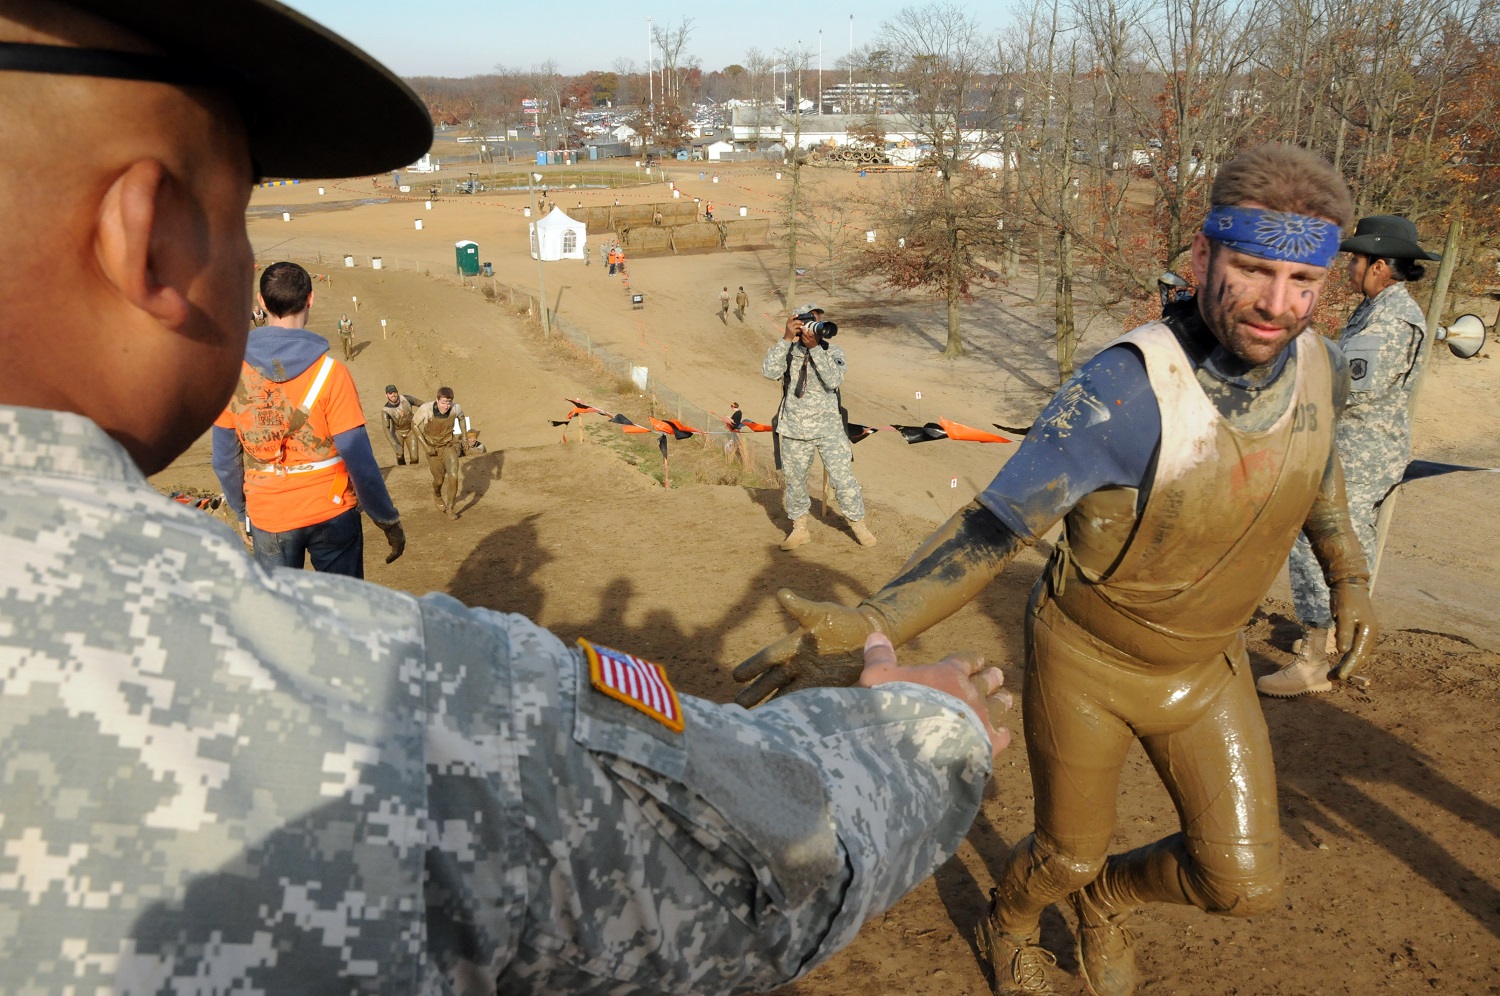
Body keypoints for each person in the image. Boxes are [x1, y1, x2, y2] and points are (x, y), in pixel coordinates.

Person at [0, 1, 1013, 992]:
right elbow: (772, 867)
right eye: (239, 212)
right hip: (328, 536)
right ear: (151, 236)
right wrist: (919, 737)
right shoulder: (414, 708)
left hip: (273, 517)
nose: (250, 266)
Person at [735, 144, 1379, 996]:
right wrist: (872, 622)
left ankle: (1108, 898)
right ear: (1202, 258)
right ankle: (1010, 918)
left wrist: (1349, 578)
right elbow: (991, 528)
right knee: (1064, 852)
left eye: (1304, 283)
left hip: (1205, 666)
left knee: (1244, 882)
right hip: (1090, 666)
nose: (1279, 304)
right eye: (1255, 270)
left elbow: (1317, 475)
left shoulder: (1318, 366)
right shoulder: (1126, 389)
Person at [1259, 214, 1440, 697]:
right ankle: (1343, 643)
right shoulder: (1377, 309)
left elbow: (1353, 386)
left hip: (1359, 455)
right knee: (1347, 547)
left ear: (1381, 265)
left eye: (1357, 260)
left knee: (1321, 543)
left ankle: (1315, 658)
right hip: (1360, 449)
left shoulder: (1388, 318)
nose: (1350, 268)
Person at [212, 261, 405, 578]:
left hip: (269, 514)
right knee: (340, 612)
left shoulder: (229, 376)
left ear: (261, 303)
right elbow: (358, 457)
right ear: (310, 299)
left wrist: (242, 511)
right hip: (331, 510)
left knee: (284, 618)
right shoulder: (332, 374)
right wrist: (386, 518)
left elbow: (224, 460)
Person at [762, 304, 876, 550]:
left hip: (829, 429)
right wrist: (785, 338)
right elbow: (769, 372)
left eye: (818, 320)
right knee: (795, 482)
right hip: (794, 429)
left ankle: (859, 526)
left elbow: (834, 380)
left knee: (844, 480)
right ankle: (799, 529)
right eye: (809, 321)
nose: (816, 325)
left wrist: (815, 349)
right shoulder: (788, 350)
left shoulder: (832, 350)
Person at [413, 386, 466, 518]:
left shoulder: (456, 408)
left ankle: (450, 508)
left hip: (448, 446)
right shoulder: (426, 409)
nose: (446, 406)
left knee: (453, 476)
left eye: (448, 402)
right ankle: (437, 494)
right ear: (437, 400)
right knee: (439, 480)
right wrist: (425, 447)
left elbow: (462, 418)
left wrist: (464, 437)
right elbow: (414, 425)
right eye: (443, 402)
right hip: (433, 449)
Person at [381, 383, 421, 465]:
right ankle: (403, 473)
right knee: (399, 456)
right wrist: (395, 445)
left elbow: (422, 404)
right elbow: (386, 428)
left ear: (397, 392)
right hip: (397, 432)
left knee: (415, 458)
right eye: (390, 393)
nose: (393, 395)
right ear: (386, 395)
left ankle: (414, 473)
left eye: (394, 392)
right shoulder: (385, 410)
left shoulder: (406, 399)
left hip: (411, 430)